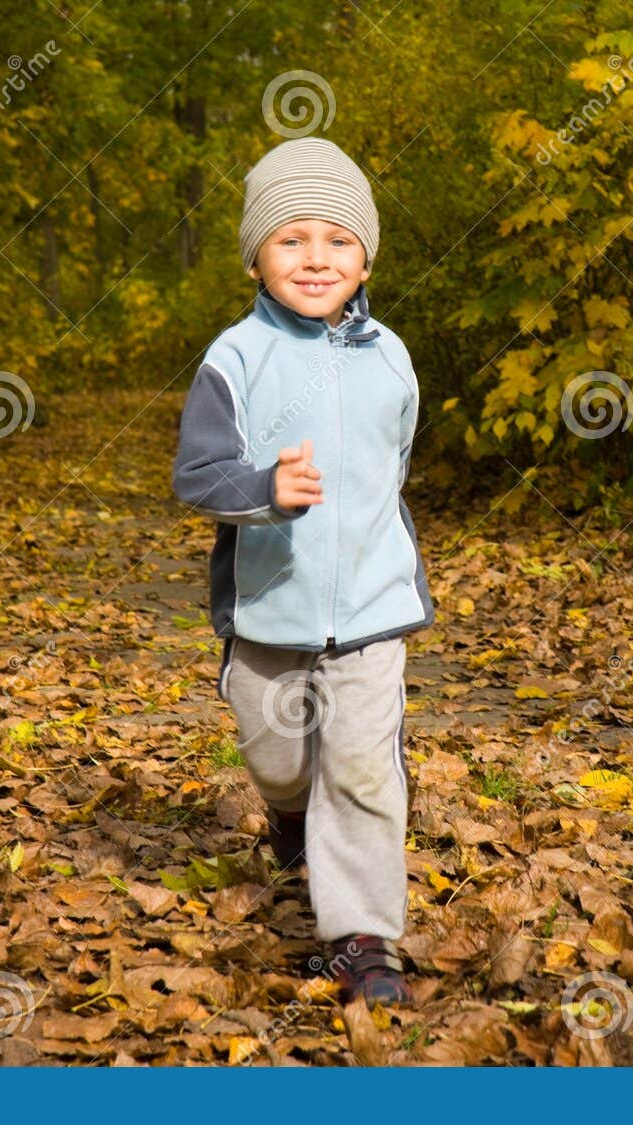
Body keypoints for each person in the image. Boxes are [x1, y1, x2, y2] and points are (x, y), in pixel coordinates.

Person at [170, 136, 435, 1007]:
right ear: (255, 254)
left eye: (337, 240)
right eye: (291, 239)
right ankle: (288, 816)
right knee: (281, 757)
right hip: (267, 615)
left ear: (366, 257)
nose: (316, 258)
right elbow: (198, 476)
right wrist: (266, 491)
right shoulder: (236, 357)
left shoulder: (391, 356)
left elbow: (392, 464)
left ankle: (363, 940)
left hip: (370, 606)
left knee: (359, 766)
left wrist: (376, 549)